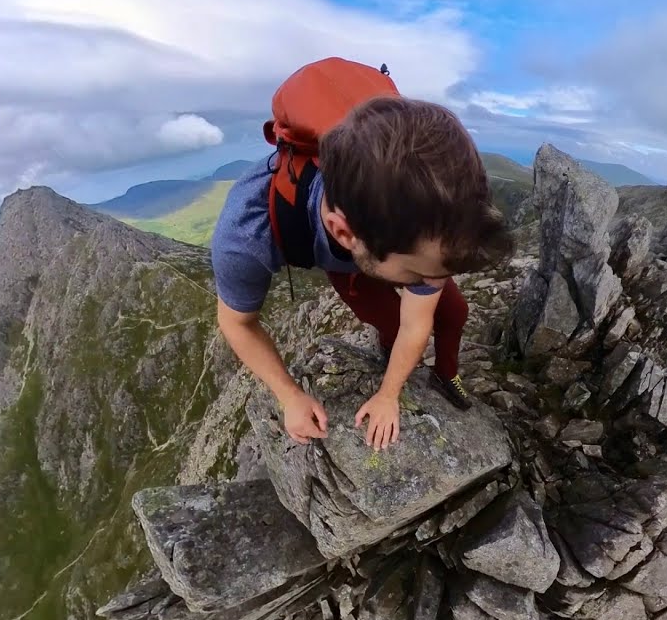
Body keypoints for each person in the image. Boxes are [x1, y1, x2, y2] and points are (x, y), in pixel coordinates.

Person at [210, 58, 513, 452]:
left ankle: (444, 374)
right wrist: (289, 396)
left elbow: (419, 315)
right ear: (344, 233)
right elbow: (237, 324)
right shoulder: (246, 235)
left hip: (378, 246)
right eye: (419, 275)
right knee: (392, 325)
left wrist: (390, 394)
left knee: (454, 312)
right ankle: (392, 354)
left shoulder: (424, 219)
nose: (433, 284)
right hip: (346, 259)